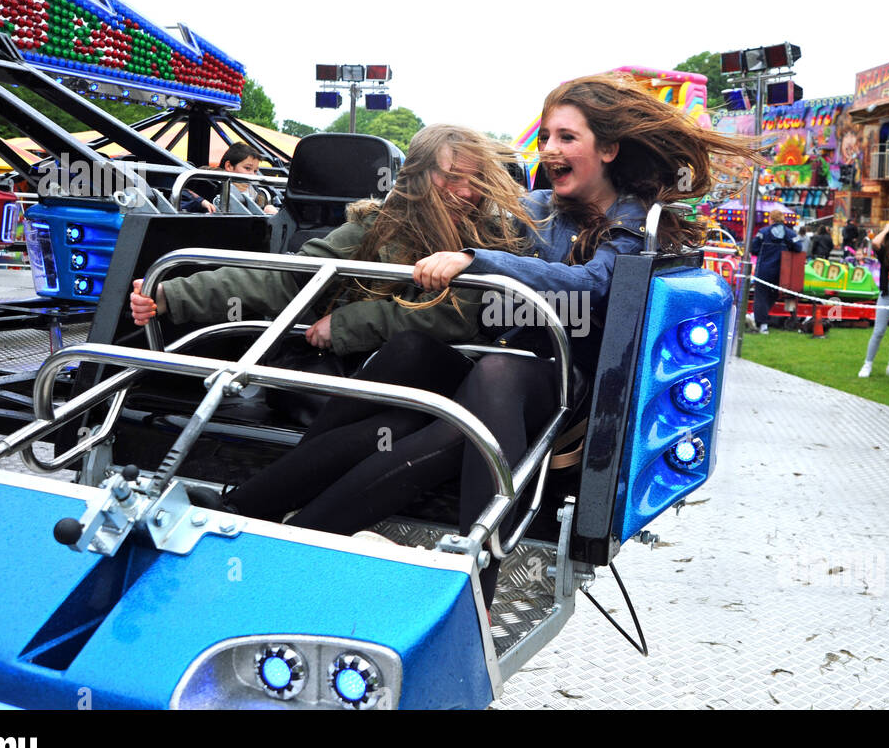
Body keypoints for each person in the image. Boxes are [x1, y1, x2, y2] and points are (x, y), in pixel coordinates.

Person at [195, 73, 762, 608]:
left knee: (489, 382)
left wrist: (478, 260)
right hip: (501, 376)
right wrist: (395, 215)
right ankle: (250, 516)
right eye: (546, 137)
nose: (551, 149)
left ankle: (468, 588)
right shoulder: (536, 209)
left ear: (608, 149)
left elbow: (594, 288)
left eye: (568, 137)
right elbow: (459, 224)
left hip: (572, 392)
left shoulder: (635, 221)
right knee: (410, 366)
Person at [131, 123, 534, 367]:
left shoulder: (493, 239)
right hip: (370, 375)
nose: (463, 192)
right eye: (449, 177)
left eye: (473, 180)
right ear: (417, 177)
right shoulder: (377, 229)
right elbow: (287, 280)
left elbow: (455, 318)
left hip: (452, 372)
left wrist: (348, 325)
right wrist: (170, 294)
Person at [858, 222, 889, 378]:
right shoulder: (885, 252)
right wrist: (886, 230)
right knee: (879, 331)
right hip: (888, 293)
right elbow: (875, 243)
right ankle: (868, 364)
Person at [748, 209, 803, 334]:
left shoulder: (763, 232)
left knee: (761, 297)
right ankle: (762, 320)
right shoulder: (790, 233)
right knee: (772, 296)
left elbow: (754, 248)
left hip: (764, 271)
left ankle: (762, 323)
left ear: (770, 219)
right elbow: (798, 248)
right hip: (782, 272)